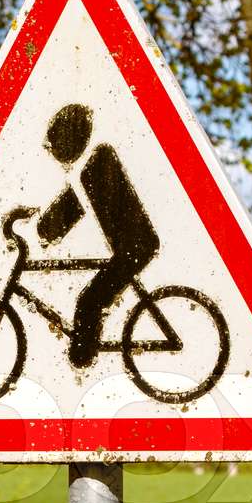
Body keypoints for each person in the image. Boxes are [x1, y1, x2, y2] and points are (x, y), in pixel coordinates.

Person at [31, 103, 160, 368]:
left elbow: (72, 207)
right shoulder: (93, 163)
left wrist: (44, 231)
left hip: (135, 248)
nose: (50, 147)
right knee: (92, 297)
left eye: (56, 140)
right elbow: (73, 206)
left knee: (88, 302)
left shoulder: (97, 162)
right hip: (130, 246)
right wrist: (42, 230)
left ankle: (82, 361)